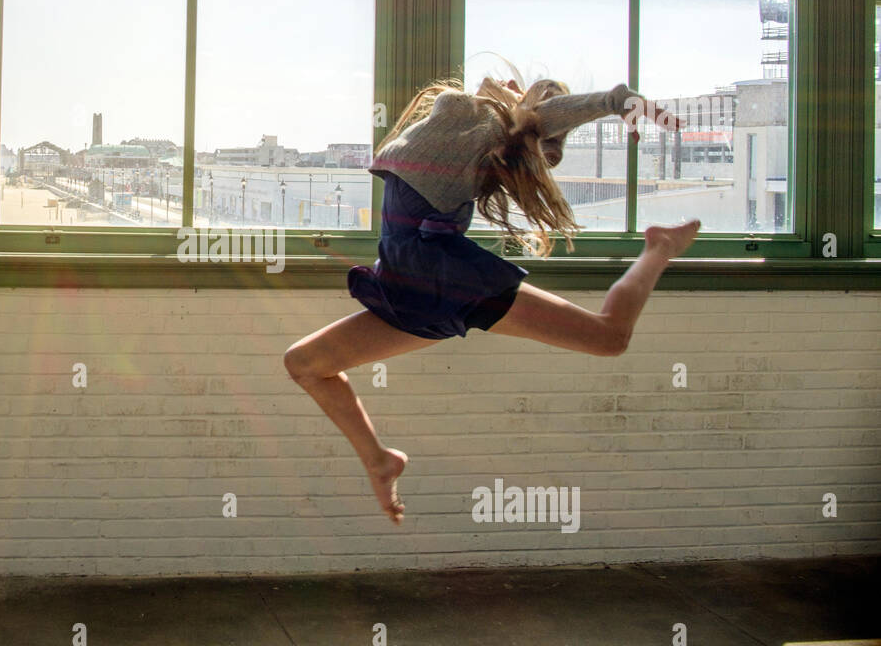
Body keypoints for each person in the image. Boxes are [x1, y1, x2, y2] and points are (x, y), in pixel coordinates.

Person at [283, 72, 701, 525]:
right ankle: (379, 460)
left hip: (440, 275)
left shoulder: (482, 121)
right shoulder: (468, 118)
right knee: (303, 363)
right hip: (408, 283)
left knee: (609, 337)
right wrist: (611, 103)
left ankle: (658, 249)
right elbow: (532, 113)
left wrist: (615, 101)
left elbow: (540, 116)